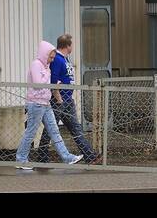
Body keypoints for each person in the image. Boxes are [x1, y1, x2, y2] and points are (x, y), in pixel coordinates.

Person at [15, 40, 83, 171]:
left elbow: (45, 84)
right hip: (36, 104)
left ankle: (67, 157)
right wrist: (49, 78)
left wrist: (50, 80)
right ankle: (21, 159)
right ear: (44, 54)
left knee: (54, 131)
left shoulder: (45, 67)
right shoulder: (37, 65)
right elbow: (37, 84)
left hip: (45, 104)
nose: (52, 60)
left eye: (52, 57)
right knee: (31, 132)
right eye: (50, 57)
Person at [37, 33, 99, 163]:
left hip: (68, 99)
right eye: (71, 44)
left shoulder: (65, 59)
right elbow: (54, 80)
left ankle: (89, 155)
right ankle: (42, 157)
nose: (72, 47)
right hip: (59, 100)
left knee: (75, 128)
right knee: (50, 128)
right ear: (67, 45)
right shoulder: (58, 60)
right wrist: (58, 97)